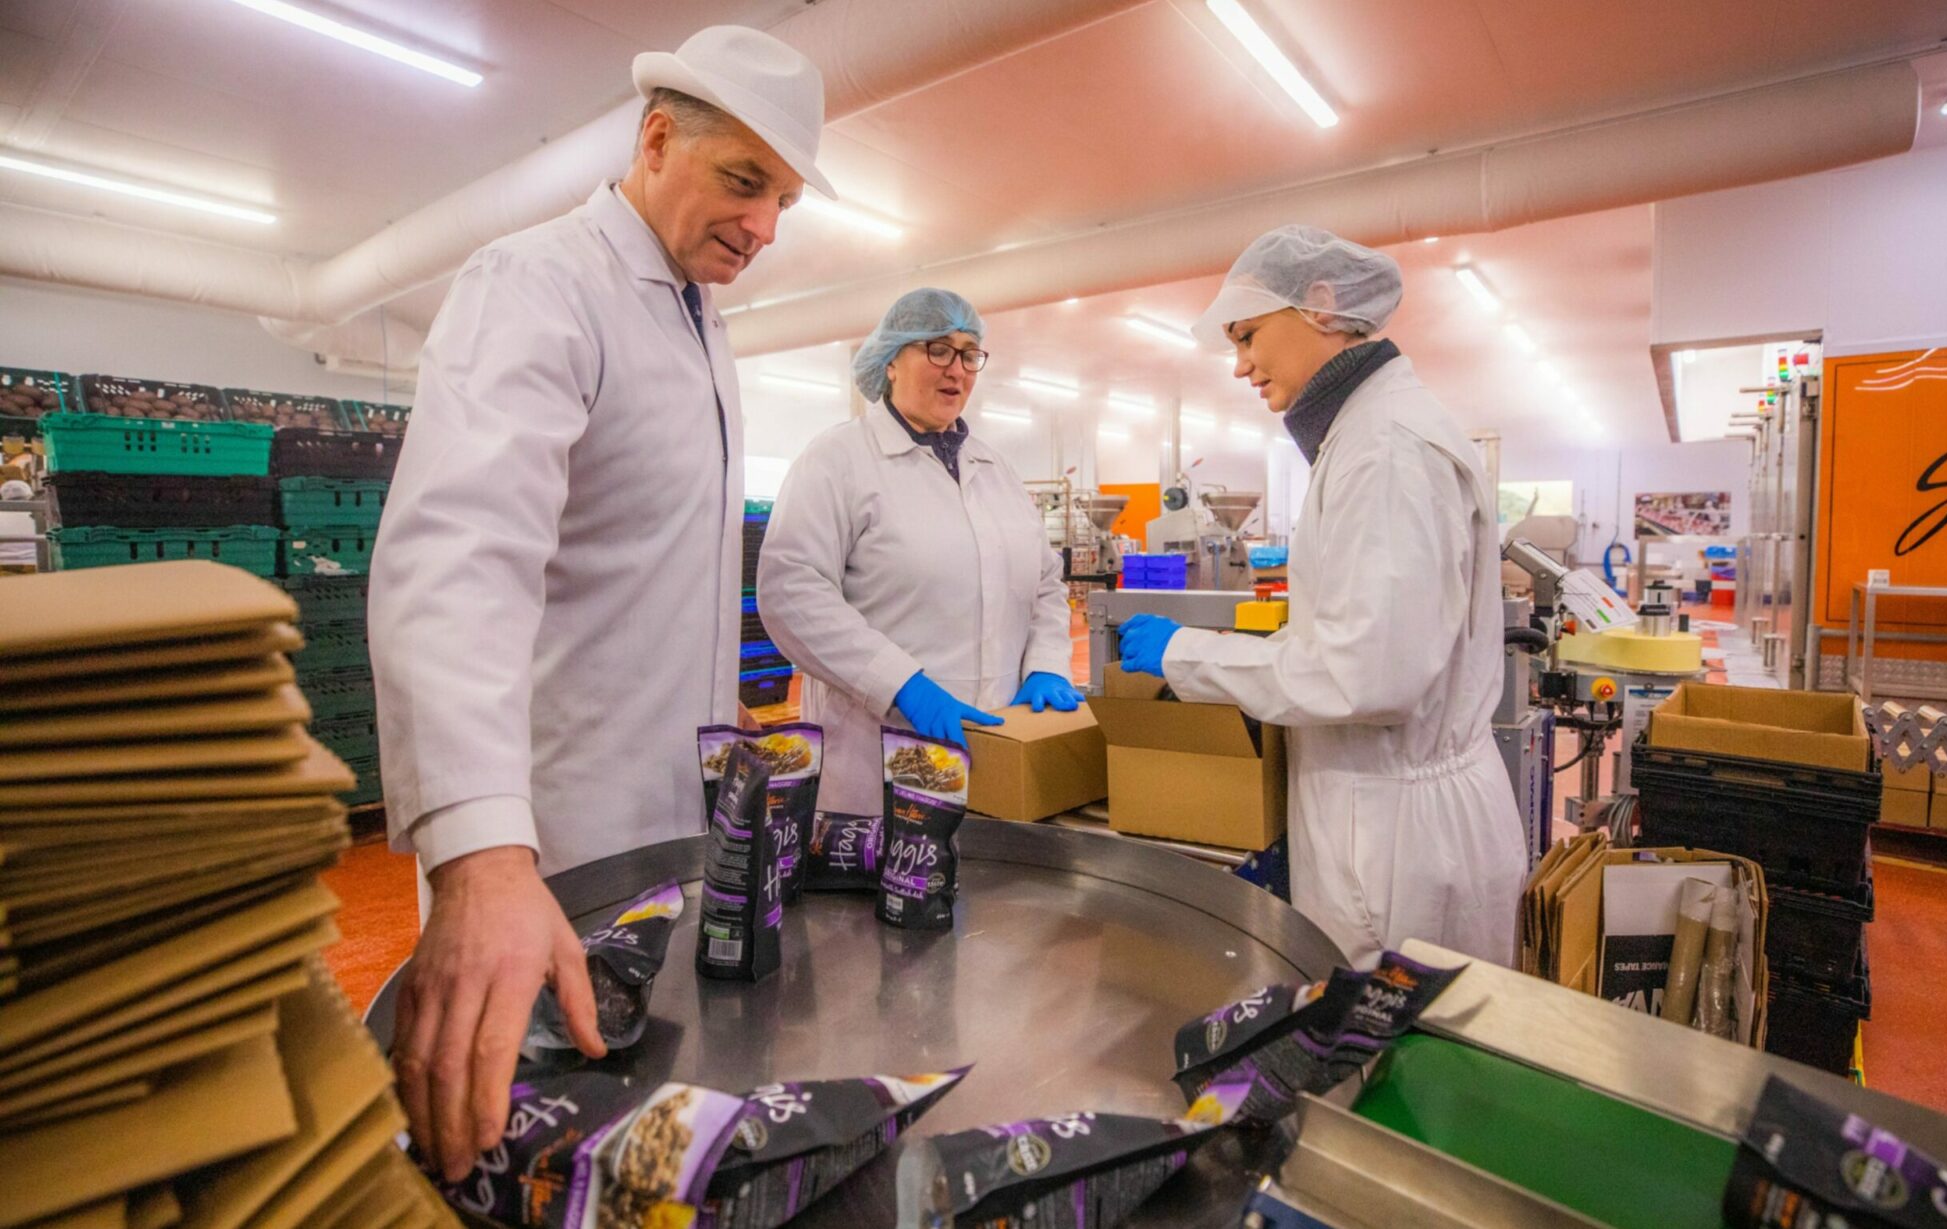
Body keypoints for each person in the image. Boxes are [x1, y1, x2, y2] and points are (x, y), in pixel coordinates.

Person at [366, 27, 836, 1181]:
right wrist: (479, 854)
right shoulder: (541, 283)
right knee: (516, 1154)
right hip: (547, 856)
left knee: (634, 1153)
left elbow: (652, 566)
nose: (763, 226)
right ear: (657, 139)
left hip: (668, 836)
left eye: (782, 199)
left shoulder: (698, 323)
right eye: (743, 181)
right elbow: (456, 559)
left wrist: (722, 733)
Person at [1117, 225, 1524, 968]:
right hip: (1386, 819)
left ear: (1322, 306)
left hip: (1396, 846)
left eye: (1247, 336)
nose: (1240, 365)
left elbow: (1368, 673)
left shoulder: (1387, 449)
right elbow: (1358, 634)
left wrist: (1189, 653)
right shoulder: (1365, 435)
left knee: (1392, 1036)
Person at [757, 288, 1082, 814]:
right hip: (876, 754)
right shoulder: (836, 460)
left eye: (969, 354)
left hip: (996, 752)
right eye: (938, 349)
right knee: (885, 862)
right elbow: (792, 593)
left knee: (989, 866)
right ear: (890, 361)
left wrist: (1047, 664)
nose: (957, 369)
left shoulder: (995, 470)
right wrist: (900, 683)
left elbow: (1045, 583)